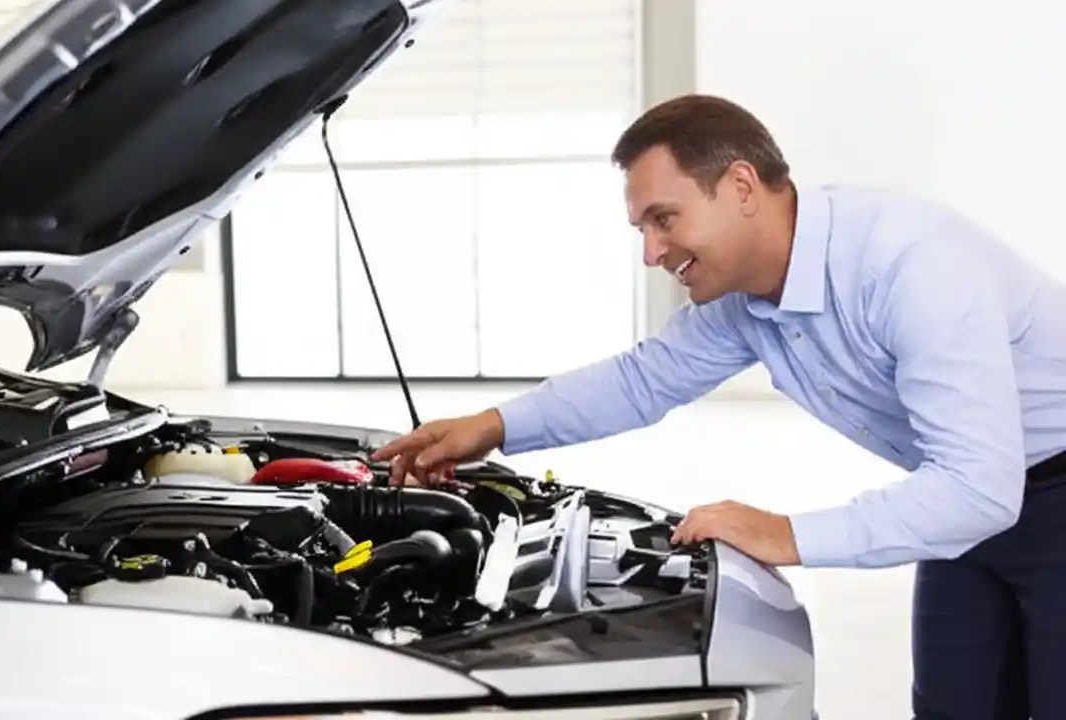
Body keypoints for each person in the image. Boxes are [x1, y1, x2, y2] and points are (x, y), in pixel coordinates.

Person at [370, 94, 1066, 719]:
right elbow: (645, 381)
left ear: (739, 186)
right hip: (962, 502)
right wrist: (489, 429)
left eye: (663, 219)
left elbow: (981, 487)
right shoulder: (744, 298)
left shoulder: (911, 267)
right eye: (642, 226)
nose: (651, 252)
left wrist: (785, 534)